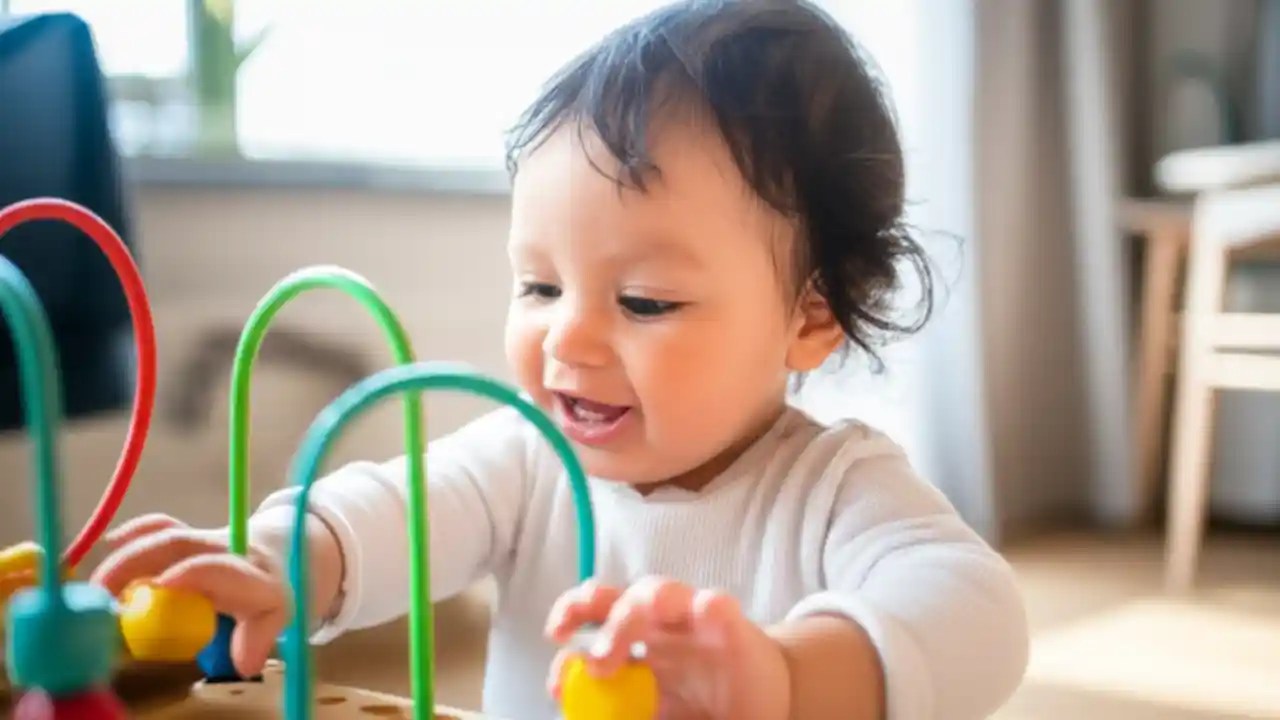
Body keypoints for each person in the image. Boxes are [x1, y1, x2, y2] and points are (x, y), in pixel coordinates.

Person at [92, 2, 1029, 718]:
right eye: (538, 288)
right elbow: (389, 512)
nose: (568, 341)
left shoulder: (835, 493)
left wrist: (785, 673)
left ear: (812, 314)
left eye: (644, 302)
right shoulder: (527, 460)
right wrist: (271, 559)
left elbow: (979, 616)